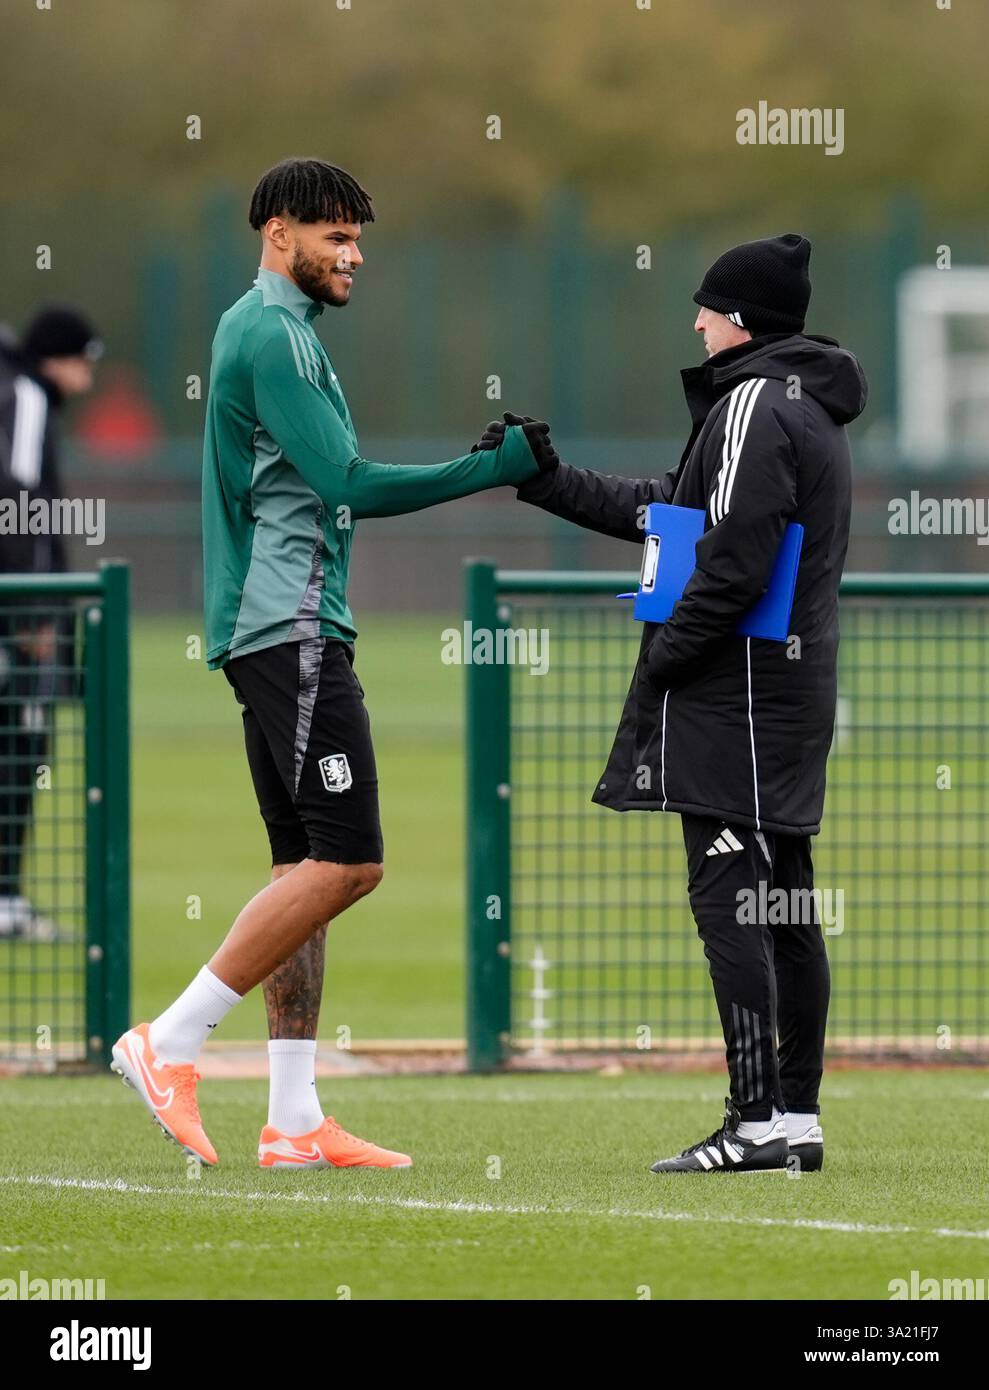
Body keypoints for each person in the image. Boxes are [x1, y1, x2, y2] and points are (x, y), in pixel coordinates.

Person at [111, 158, 540, 1169]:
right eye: (333, 236)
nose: (353, 256)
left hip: (277, 627)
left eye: (357, 239)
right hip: (287, 626)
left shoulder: (273, 332)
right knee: (352, 858)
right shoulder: (269, 333)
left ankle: (294, 1117)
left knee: (304, 870)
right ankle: (166, 1042)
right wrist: (494, 468)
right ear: (277, 235)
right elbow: (347, 483)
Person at [478, 234, 866, 1173]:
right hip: (784, 691)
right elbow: (678, 510)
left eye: (706, 308)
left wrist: (663, 666)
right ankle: (796, 1119)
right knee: (783, 903)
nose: (693, 323)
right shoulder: (798, 406)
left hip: (736, 693)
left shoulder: (750, 407)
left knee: (730, 901)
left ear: (742, 320)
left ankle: (754, 1122)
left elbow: (728, 563)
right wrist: (549, 482)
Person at [0, 306, 102, 940]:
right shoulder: (26, 396)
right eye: (84, 362)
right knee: (19, 743)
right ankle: (5, 897)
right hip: (15, 611)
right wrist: (33, 611)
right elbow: (17, 503)